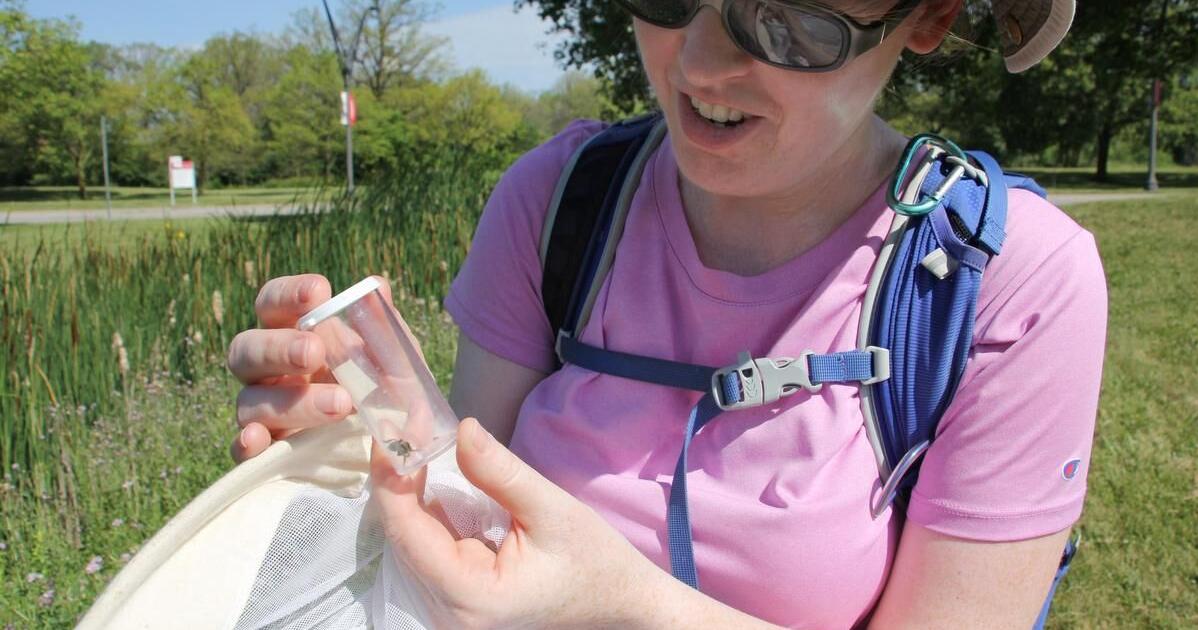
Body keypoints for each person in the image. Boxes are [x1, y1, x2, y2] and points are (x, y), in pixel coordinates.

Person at [226, 0, 1106, 627]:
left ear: (929, 18)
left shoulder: (1004, 280)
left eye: (792, 19)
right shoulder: (559, 201)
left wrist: (629, 606)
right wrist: (368, 435)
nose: (698, 65)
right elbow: (464, 514)